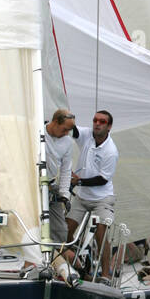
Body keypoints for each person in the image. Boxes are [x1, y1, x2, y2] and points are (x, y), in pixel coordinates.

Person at [66, 110, 118, 280]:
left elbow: (103, 179)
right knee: (66, 231)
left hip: (102, 198)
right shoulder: (88, 134)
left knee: (101, 234)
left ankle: (105, 275)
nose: (97, 123)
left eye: (102, 121)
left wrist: (78, 181)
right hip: (82, 197)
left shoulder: (111, 151)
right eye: (95, 120)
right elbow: (73, 131)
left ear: (109, 126)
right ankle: (79, 268)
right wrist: (66, 120)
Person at [44, 108, 76, 246]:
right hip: (31, 185)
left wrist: (64, 195)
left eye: (69, 131)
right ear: (55, 122)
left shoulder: (68, 142)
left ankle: (54, 261)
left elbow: (66, 170)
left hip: (51, 186)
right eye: (64, 129)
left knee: (61, 230)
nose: (66, 133)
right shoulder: (37, 132)